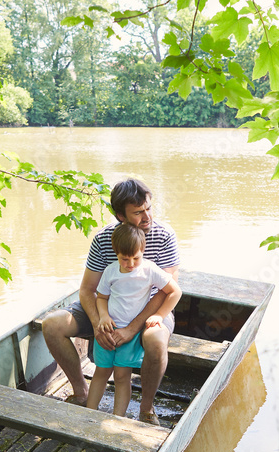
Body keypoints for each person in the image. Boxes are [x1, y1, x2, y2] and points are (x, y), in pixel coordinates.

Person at [42, 178, 180, 426]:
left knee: (156, 340)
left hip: (152, 308)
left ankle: (146, 409)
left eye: (148, 208)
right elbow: (88, 290)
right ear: (120, 216)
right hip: (108, 306)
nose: (147, 216)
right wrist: (98, 322)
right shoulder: (104, 239)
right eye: (138, 213)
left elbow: (165, 291)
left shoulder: (164, 235)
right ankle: (81, 393)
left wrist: (131, 328)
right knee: (52, 324)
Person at [87, 224, 182, 417]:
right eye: (125, 259)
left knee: (122, 376)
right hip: (108, 329)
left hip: (130, 334)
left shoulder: (150, 270)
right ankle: (88, 414)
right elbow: (102, 297)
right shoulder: (111, 271)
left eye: (136, 258)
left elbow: (175, 291)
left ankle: (117, 418)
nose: (130, 263)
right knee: (101, 373)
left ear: (143, 251)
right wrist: (103, 317)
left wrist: (159, 315)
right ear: (117, 253)